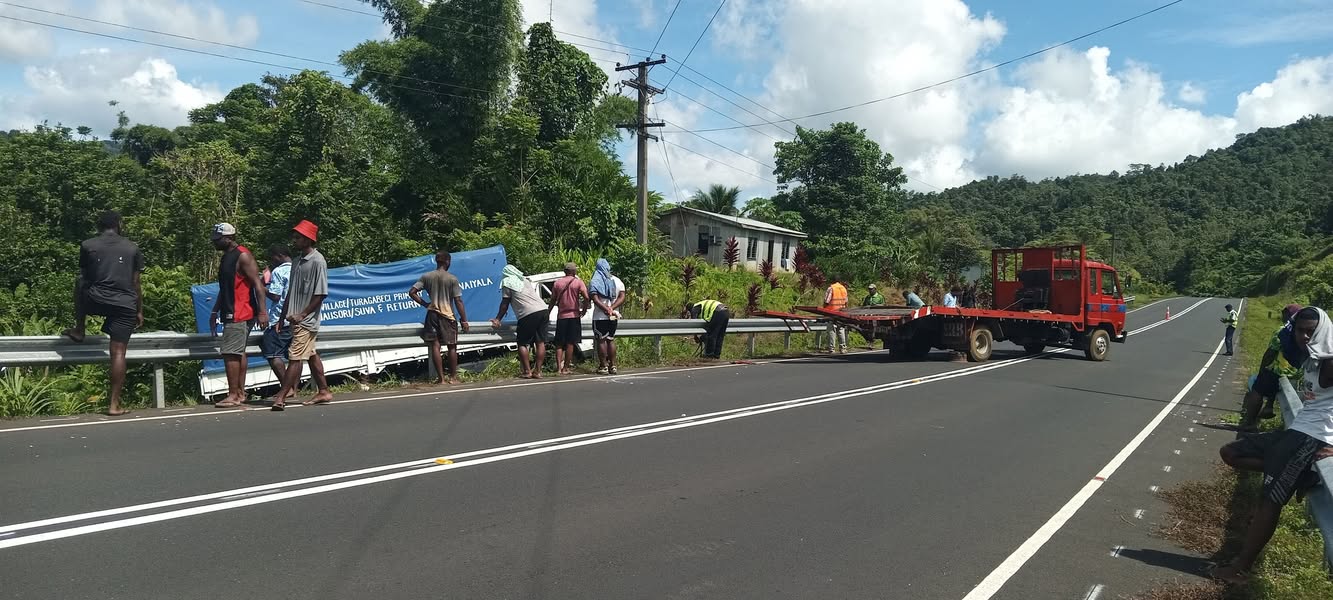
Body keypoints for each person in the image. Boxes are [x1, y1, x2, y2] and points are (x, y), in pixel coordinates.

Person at [1214, 307, 1333, 585]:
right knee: (1231, 452)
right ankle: (1298, 476)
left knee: (1270, 500)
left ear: (1324, 330)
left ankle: (1241, 569)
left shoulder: (1330, 362)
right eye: (1301, 330)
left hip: (1310, 438)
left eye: (1310, 331)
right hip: (1296, 432)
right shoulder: (1312, 356)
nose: (1304, 336)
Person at [62, 211, 144, 416]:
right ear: (118, 224)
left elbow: (85, 276)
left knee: (79, 282)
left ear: (100, 226)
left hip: (96, 300)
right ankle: (114, 405)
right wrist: (139, 310)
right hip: (125, 304)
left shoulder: (88, 245)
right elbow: (136, 283)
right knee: (118, 353)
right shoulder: (132, 248)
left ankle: (80, 328)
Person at [270, 220, 332, 411]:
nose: (294, 240)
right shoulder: (296, 261)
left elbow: (321, 293)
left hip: (306, 320)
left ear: (308, 239)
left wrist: (303, 314)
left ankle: (282, 396)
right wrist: (281, 318)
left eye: (298, 237)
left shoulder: (317, 261)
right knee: (311, 354)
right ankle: (323, 391)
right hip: (292, 318)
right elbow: (290, 292)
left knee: (295, 356)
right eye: (294, 237)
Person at [209, 223, 266, 409]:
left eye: (217, 239)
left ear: (228, 238)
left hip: (240, 312)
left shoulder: (243, 256)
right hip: (230, 311)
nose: (214, 243)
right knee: (238, 352)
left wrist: (262, 311)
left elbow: (258, 284)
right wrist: (214, 311)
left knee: (230, 353)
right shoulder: (227, 257)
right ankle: (240, 393)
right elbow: (225, 288)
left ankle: (233, 394)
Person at [1238, 303, 1306, 432]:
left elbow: (1271, 352)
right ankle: (1269, 407)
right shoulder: (1302, 331)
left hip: (1279, 370)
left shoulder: (1283, 330)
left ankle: (1250, 422)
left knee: (1257, 390)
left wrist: (1262, 370)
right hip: (1296, 373)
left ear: (1287, 314)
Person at [409, 251, 470, 385]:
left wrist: (425, 304)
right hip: (447, 316)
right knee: (452, 347)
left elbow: (412, 292)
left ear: (437, 262)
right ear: (448, 261)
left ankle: (441, 379)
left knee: (435, 346)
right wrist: (464, 320)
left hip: (432, 314)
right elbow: (458, 300)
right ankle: (453, 378)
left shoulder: (427, 276)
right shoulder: (451, 279)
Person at [491, 264, 549, 379]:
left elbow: (505, 304)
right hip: (543, 309)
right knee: (540, 342)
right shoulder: (524, 280)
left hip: (527, 313)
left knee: (522, 343)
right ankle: (538, 371)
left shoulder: (507, 282)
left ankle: (527, 371)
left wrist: (498, 319)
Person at [548, 262, 589, 375]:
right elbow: (586, 297)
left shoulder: (557, 283)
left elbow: (552, 300)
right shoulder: (578, 282)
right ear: (573, 271)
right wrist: (584, 310)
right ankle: (566, 368)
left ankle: (558, 369)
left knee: (559, 343)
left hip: (561, 316)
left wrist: (548, 312)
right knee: (570, 343)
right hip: (574, 316)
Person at [260, 245, 293, 385]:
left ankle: (287, 387)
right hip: (296, 318)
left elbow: (275, 296)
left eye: (273, 257)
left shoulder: (279, 271)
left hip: (279, 319)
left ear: (280, 255)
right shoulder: (299, 268)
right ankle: (293, 388)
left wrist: (260, 287)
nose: (272, 261)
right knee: (294, 358)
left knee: (272, 354)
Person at [589, 258, 626, 375]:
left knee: (601, 340)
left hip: (600, 316)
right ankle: (613, 366)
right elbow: (622, 296)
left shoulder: (596, 280)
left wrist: (606, 309)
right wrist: (612, 308)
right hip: (613, 316)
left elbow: (594, 299)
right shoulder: (617, 280)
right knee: (610, 339)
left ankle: (603, 366)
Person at [823, 278, 849, 353]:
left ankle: (831, 348)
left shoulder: (831, 288)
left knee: (832, 330)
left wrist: (824, 309)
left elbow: (827, 301)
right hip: (841, 312)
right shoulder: (843, 289)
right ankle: (843, 348)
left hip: (832, 312)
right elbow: (846, 302)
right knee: (841, 329)